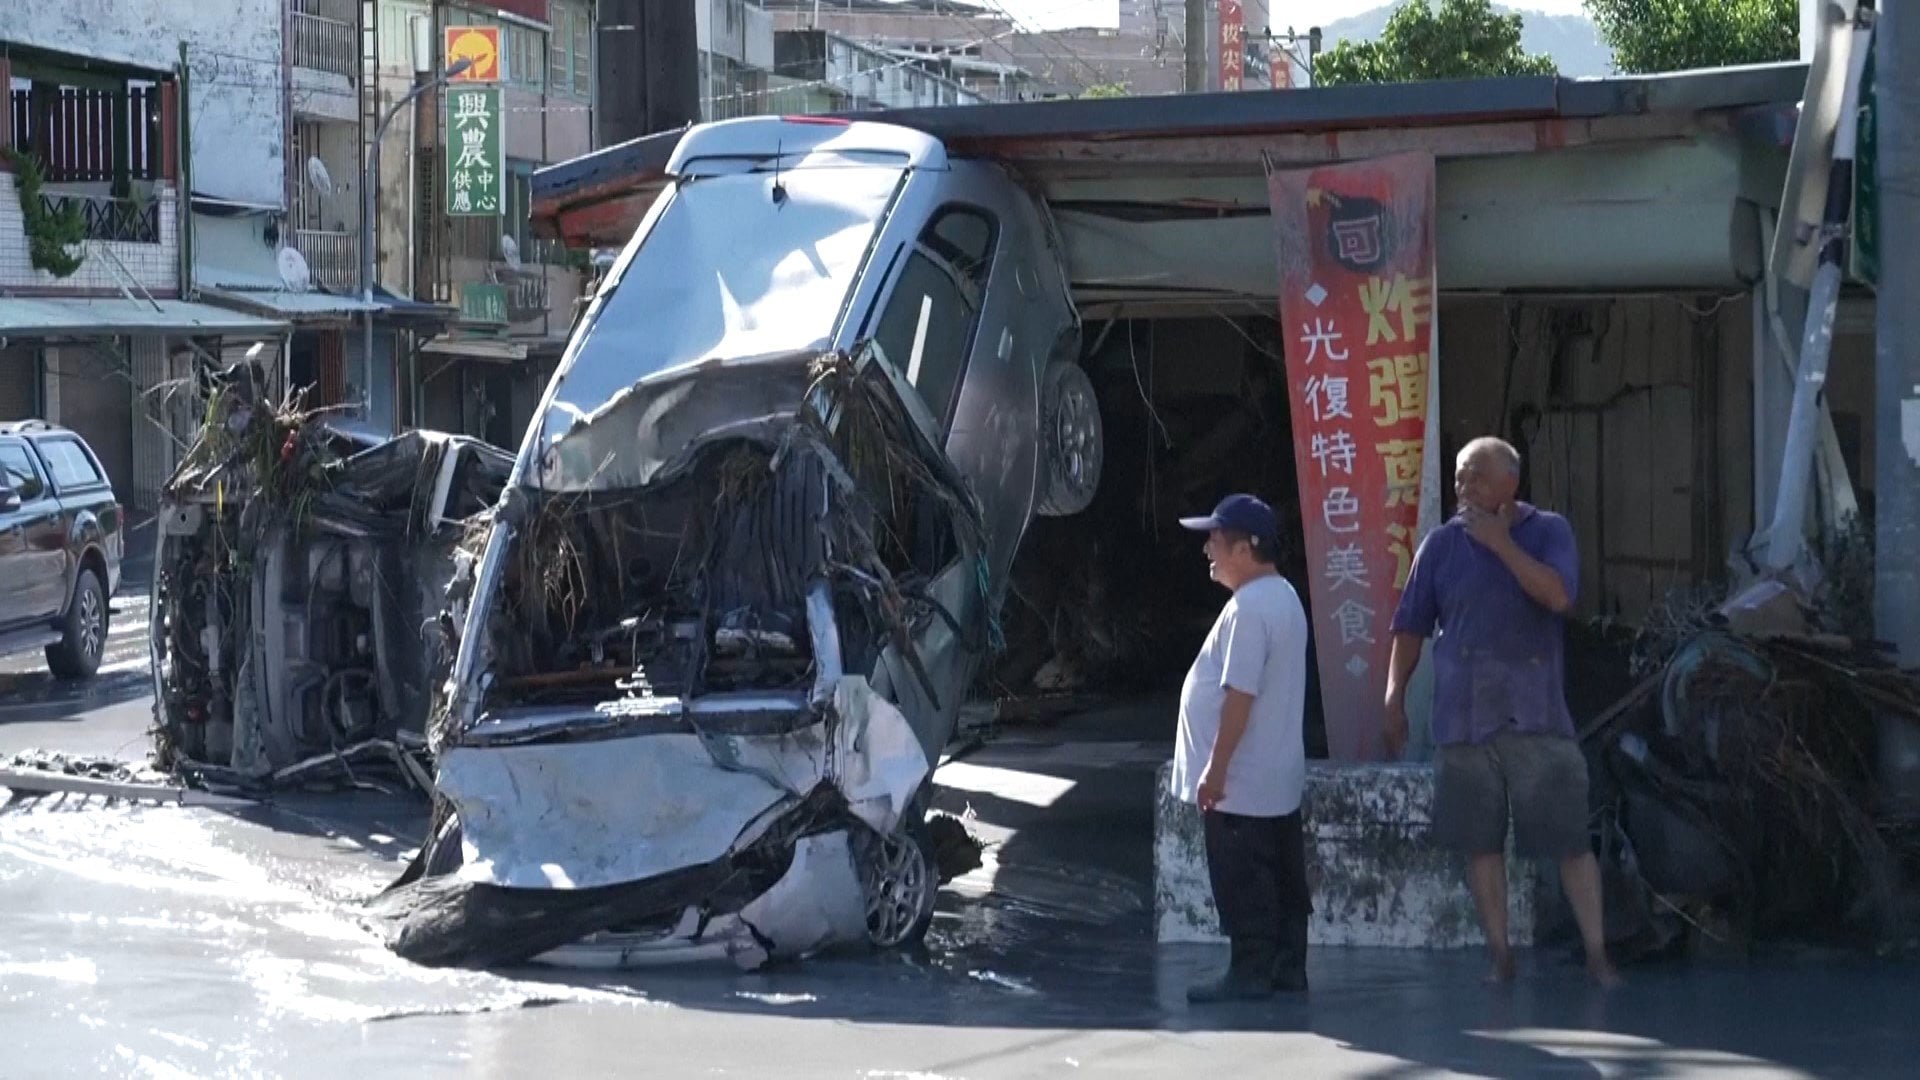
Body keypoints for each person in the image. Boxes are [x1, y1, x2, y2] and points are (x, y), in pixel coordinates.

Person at [1383, 437, 1620, 988]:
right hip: (1463, 720)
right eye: (1459, 477)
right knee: (1480, 844)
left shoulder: (1548, 531)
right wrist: (1393, 697)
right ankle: (1500, 956)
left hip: (1535, 716)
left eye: (1476, 477)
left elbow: (1559, 596)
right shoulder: (1440, 545)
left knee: (1569, 842)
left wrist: (1501, 544)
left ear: (1510, 482)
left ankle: (1598, 954)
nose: (1464, 488)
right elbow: (1410, 627)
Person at [1171, 494, 1313, 1002]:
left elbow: (1240, 695)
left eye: (1215, 540)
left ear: (1244, 548)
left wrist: (1216, 770)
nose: (1207, 550)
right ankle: (1286, 967)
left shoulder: (1250, 609)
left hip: (1243, 783)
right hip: (1274, 778)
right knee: (1282, 874)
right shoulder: (1283, 596)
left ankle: (1251, 972)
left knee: (1244, 878)